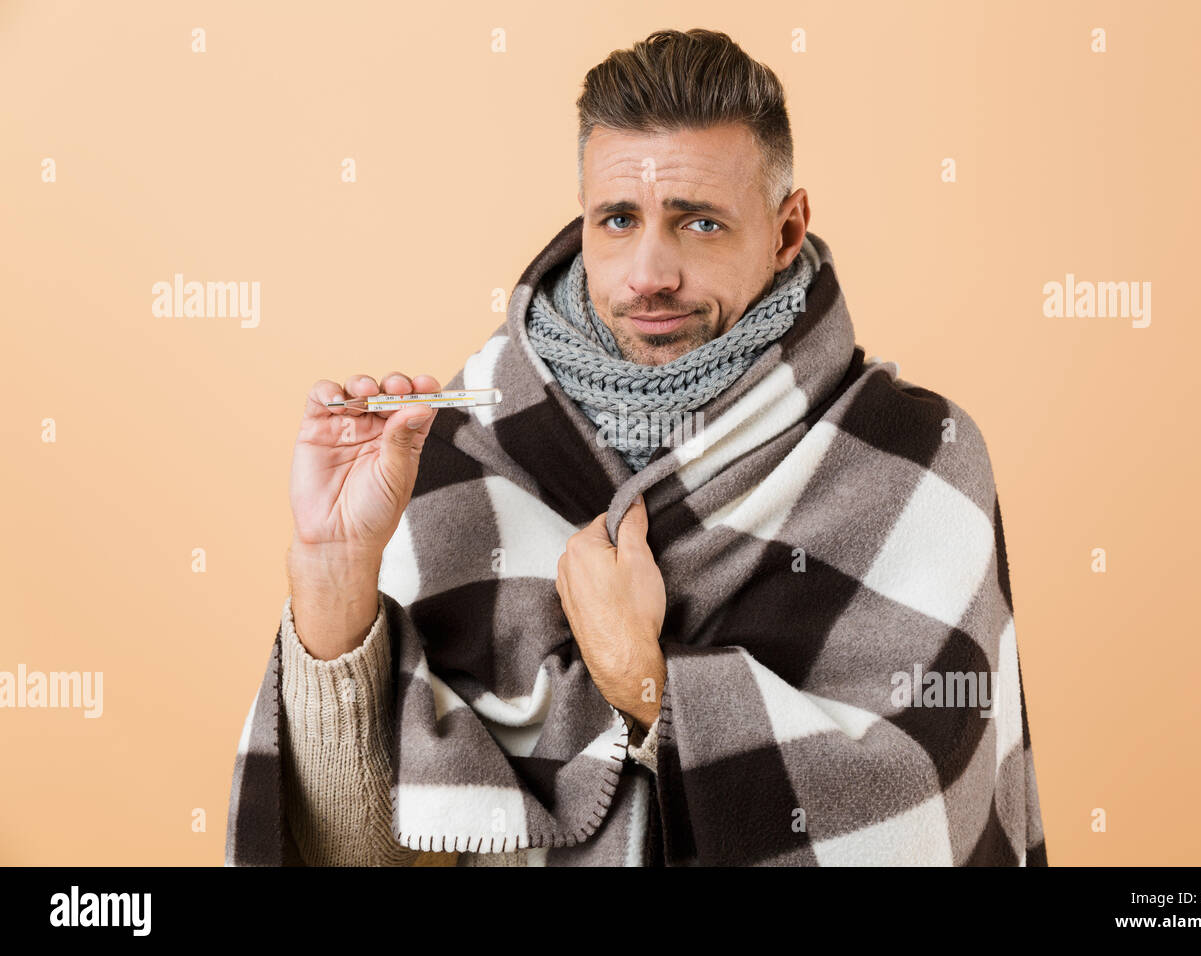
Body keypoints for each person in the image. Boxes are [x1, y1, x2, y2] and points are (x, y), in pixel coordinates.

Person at [226, 27, 1047, 867]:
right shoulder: (458, 453)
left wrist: (646, 682)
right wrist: (334, 575)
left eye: (699, 223)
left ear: (787, 228)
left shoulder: (916, 460)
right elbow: (365, 856)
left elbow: (919, 827)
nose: (650, 273)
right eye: (619, 220)